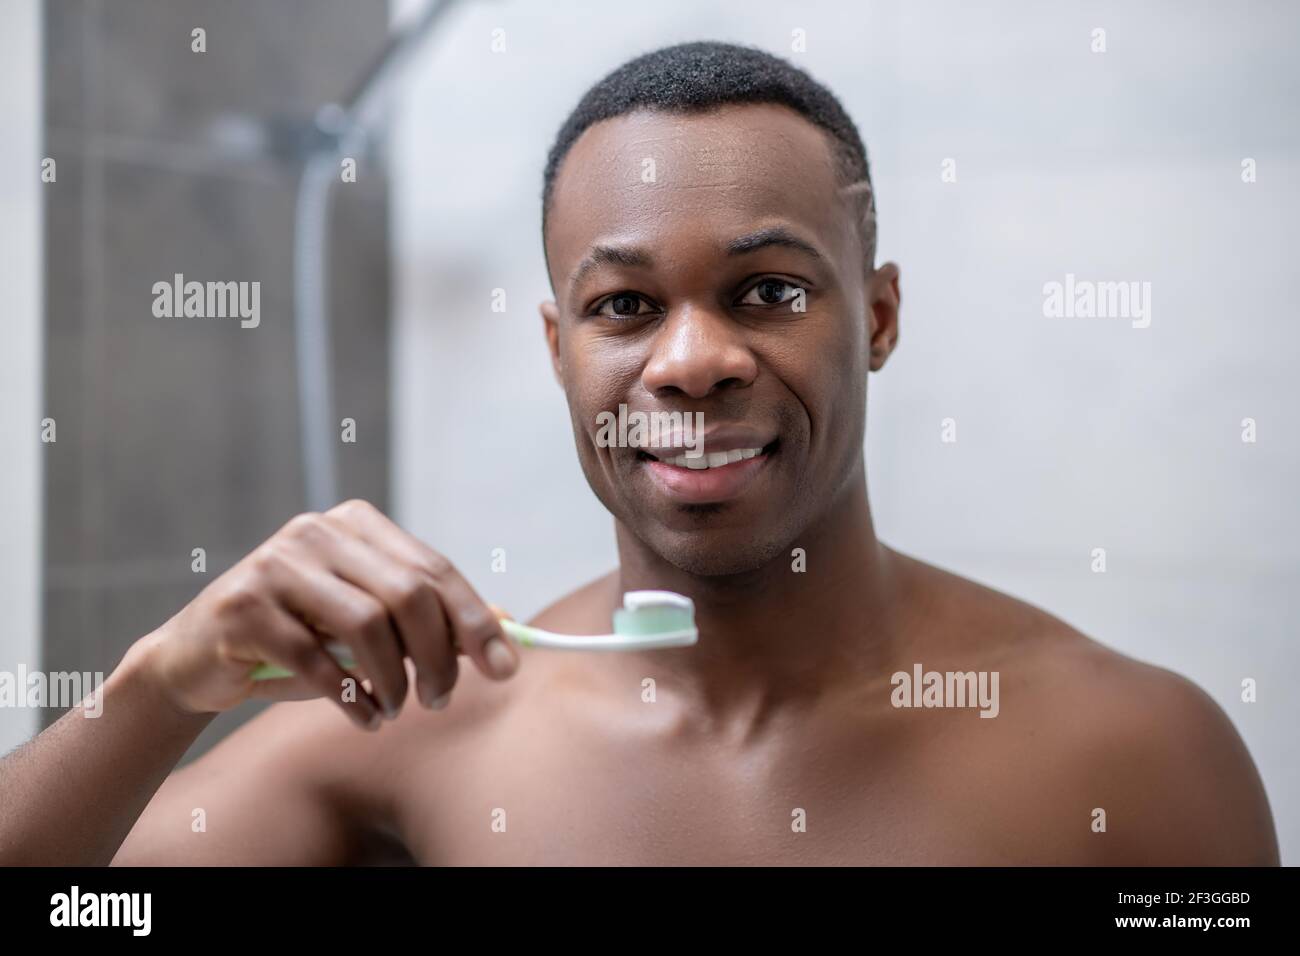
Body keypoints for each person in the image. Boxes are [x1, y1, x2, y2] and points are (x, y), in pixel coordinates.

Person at [0, 41, 1277, 866]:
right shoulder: (430, 729)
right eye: (622, 307)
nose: (689, 360)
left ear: (877, 317)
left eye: (768, 290)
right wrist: (156, 689)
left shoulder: (1129, 751)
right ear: (560, 350)